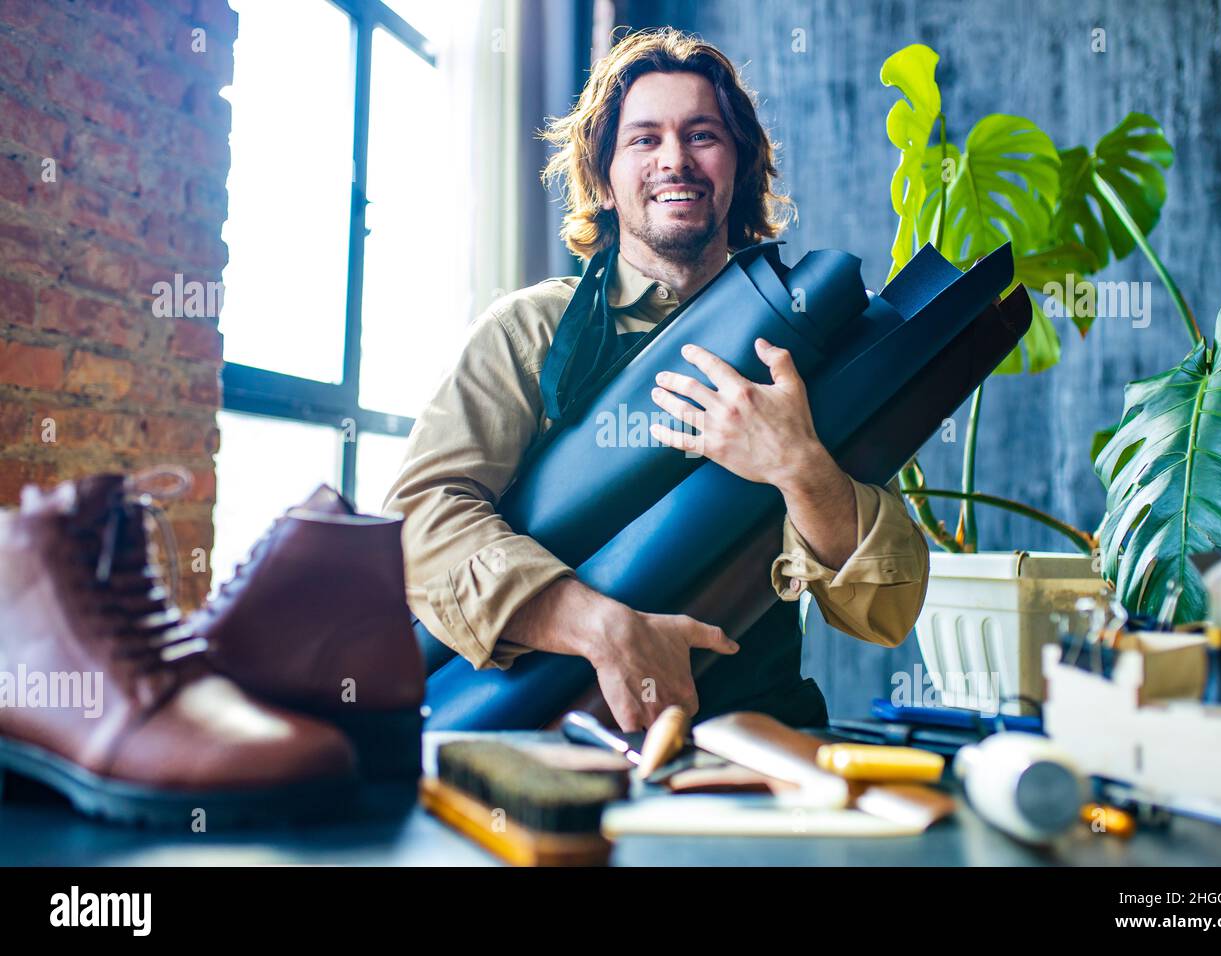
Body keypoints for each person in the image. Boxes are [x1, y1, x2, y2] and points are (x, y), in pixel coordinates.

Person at [384, 28, 930, 732]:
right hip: (546, 743)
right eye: (644, 139)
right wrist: (601, 627)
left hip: (756, 745)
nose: (675, 159)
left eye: (702, 135)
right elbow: (421, 517)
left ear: (739, 167)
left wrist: (797, 465)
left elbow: (887, 610)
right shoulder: (530, 332)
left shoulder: (803, 350)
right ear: (603, 179)